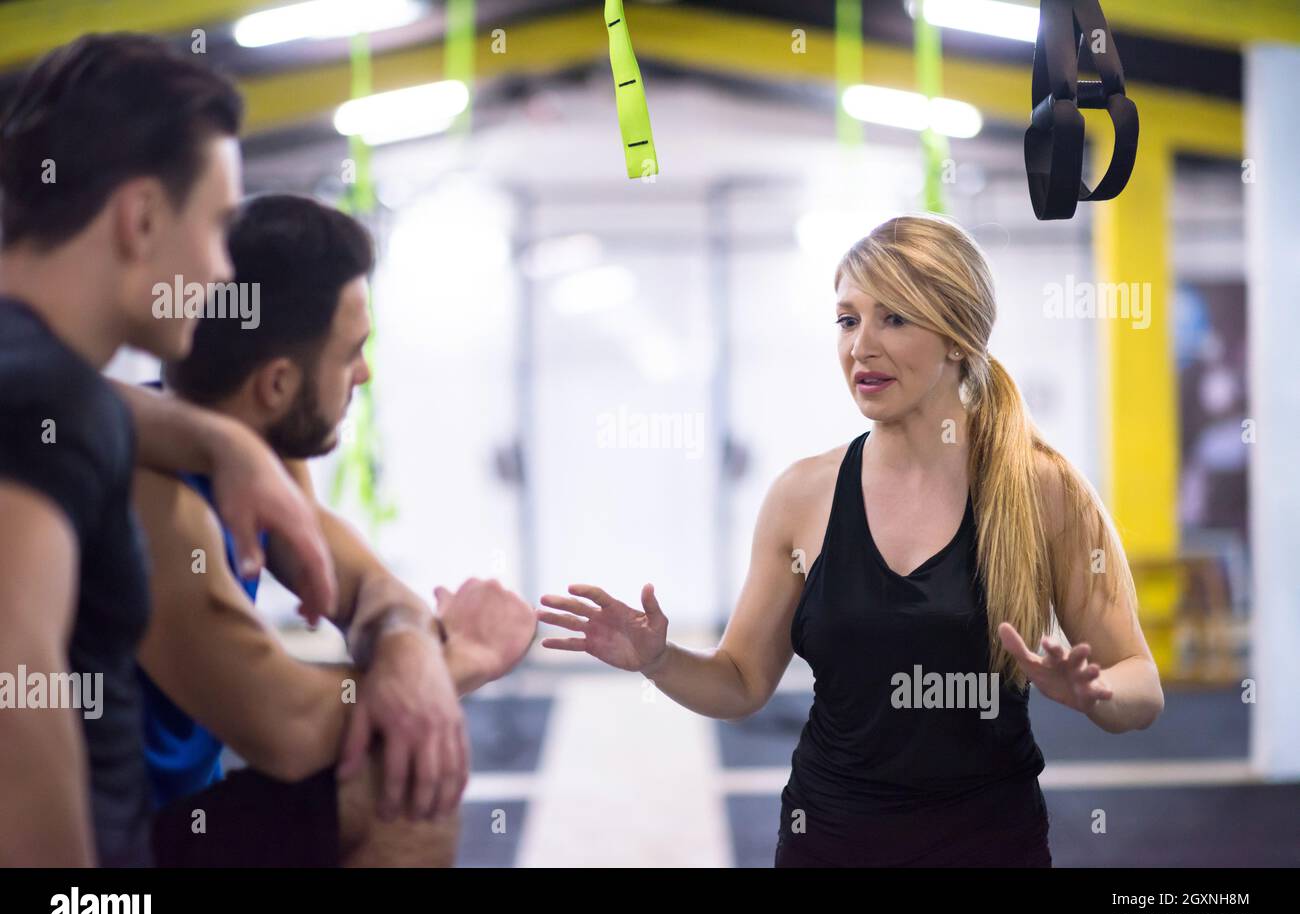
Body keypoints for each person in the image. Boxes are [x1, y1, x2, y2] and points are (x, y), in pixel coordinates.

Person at [537, 214, 1166, 867]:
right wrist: (659, 658)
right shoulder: (800, 497)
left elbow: (1140, 683)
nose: (861, 346)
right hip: (830, 839)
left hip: (989, 844)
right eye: (847, 319)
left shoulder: (1043, 492)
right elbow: (742, 681)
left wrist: (1097, 695)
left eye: (894, 318)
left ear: (956, 338)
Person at [0, 33, 335, 866]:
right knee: (385, 782)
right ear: (142, 217)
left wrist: (220, 442)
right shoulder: (50, 399)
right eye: (218, 227)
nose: (225, 272)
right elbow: (15, 699)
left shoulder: (48, 386)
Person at [135, 193, 536, 866]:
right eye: (352, 353)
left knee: (400, 761)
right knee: (402, 778)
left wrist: (409, 645)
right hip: (94, 869)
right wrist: (464, 659)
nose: (365, 373)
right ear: (277, 384)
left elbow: (371, 585)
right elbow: (285, 724)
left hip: (177, 820)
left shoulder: (259, 457)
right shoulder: (154, 497)